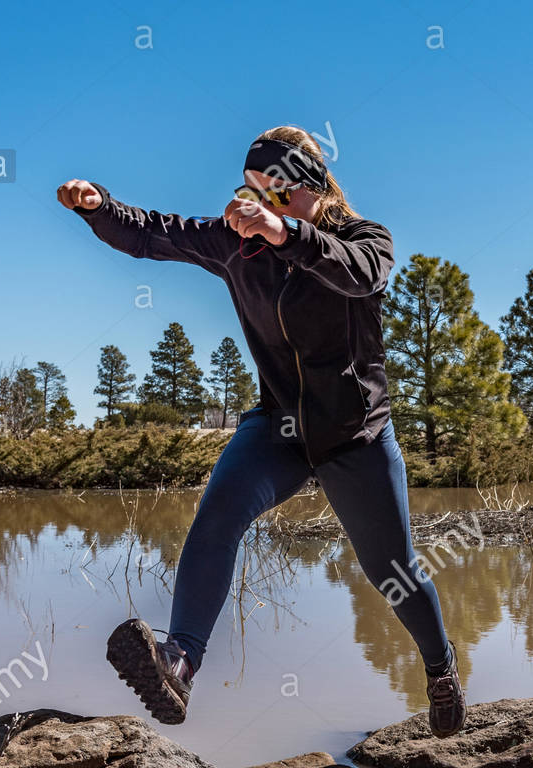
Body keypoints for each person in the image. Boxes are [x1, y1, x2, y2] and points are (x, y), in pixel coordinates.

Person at [56, 125, 466, 736]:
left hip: (354, 434)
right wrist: (98, 205)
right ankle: (178, 662)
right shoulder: (235, 246)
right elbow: (150, 233)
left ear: (309, 186)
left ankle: (440, 671)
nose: (262, 203)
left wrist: (285, 233)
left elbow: (360, 275)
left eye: (274, 190)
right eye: (253, 190)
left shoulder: (363, 239)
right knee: (218, 514)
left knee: (392, 570)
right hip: (279, 426)